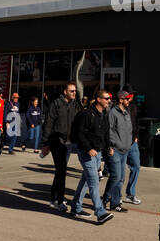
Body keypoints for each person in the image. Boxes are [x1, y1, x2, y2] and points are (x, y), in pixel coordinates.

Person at [69, 89, 114, 224]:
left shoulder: (104, 115)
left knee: (86, 181)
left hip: (97, 152)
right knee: (94, 181)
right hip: (85, 152)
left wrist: (108, 147)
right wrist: (88, 148)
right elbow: (80, 133)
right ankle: (100, 213)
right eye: (106, 98)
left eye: (109, 98)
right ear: (99, 99)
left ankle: (75, 207)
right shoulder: (86, 114)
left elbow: (105, 134)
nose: (109, 101)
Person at [40, 82, 81, 209]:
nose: (74, 93)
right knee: (61, 170)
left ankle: (53, 197)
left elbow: (80, 122)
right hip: (56, 141)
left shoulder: (76, 105)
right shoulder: (56, 104)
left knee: (60, 171)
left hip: (69, 143)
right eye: (72, 91)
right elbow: (48, 124)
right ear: (65, 92)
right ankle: (60, 200)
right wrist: (45, 143)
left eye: (75, 91)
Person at [103, 90, 134, 212]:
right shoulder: (112, 113)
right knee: (115, 176)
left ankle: (115, 203)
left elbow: (128, 130)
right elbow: (109, 131)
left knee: (121, 178)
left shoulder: (126, 113)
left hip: (125, 150)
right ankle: (105, 199)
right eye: (127, 99)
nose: (129, 101)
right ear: (121, 100)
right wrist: (110, 146)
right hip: (114, 149)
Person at [120, 86, 143, 205]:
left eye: (132, 94)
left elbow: (136, 122)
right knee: (120, 172)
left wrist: (136, 135)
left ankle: (130, 194)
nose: (132, 96)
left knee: (136, 166)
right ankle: (116, 195)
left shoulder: (133, 106)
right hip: (121, 143)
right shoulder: (117, 108)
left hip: (133, 142)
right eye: (130, 94)